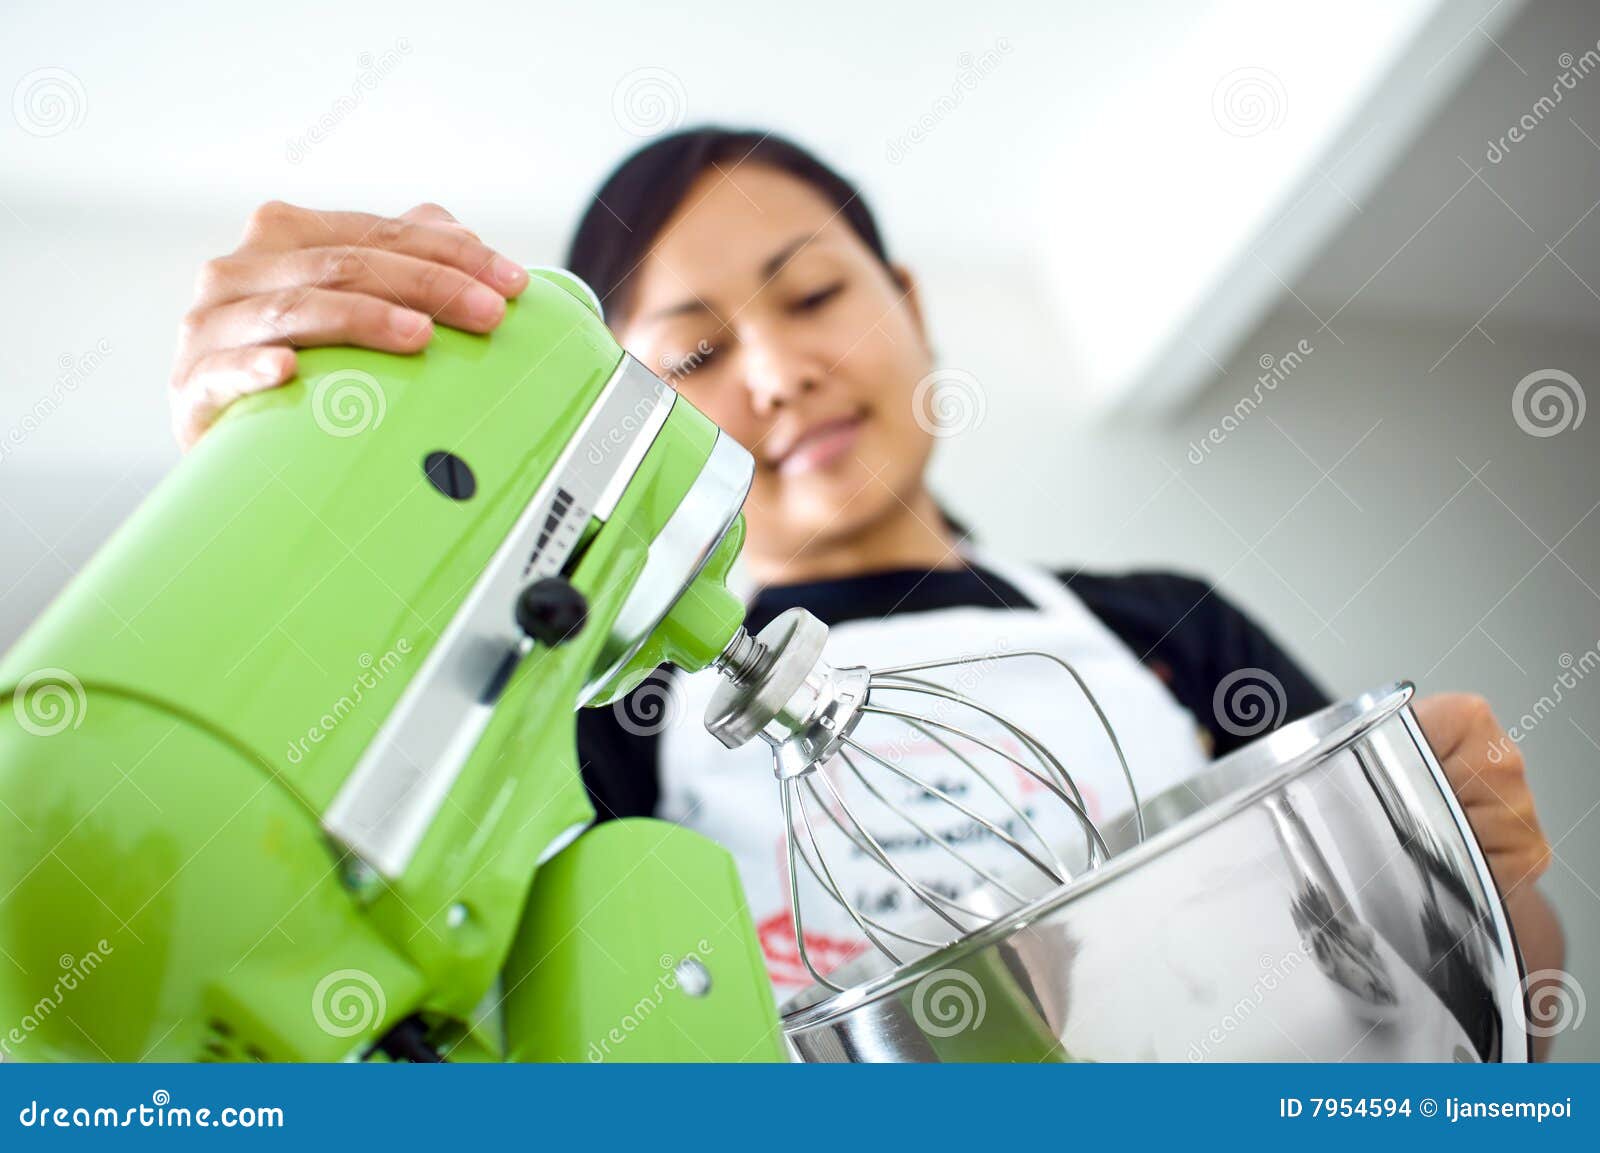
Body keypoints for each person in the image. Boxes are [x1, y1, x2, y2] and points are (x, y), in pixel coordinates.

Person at [168, 127, 1563, 1034]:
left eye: (816, 294)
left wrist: (1470, 864)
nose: (780, 371)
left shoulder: (1164, 623)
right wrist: (273, 483)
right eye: (698, 354)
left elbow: (1490, 1013)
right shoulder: (601, 723)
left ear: (908, 299)